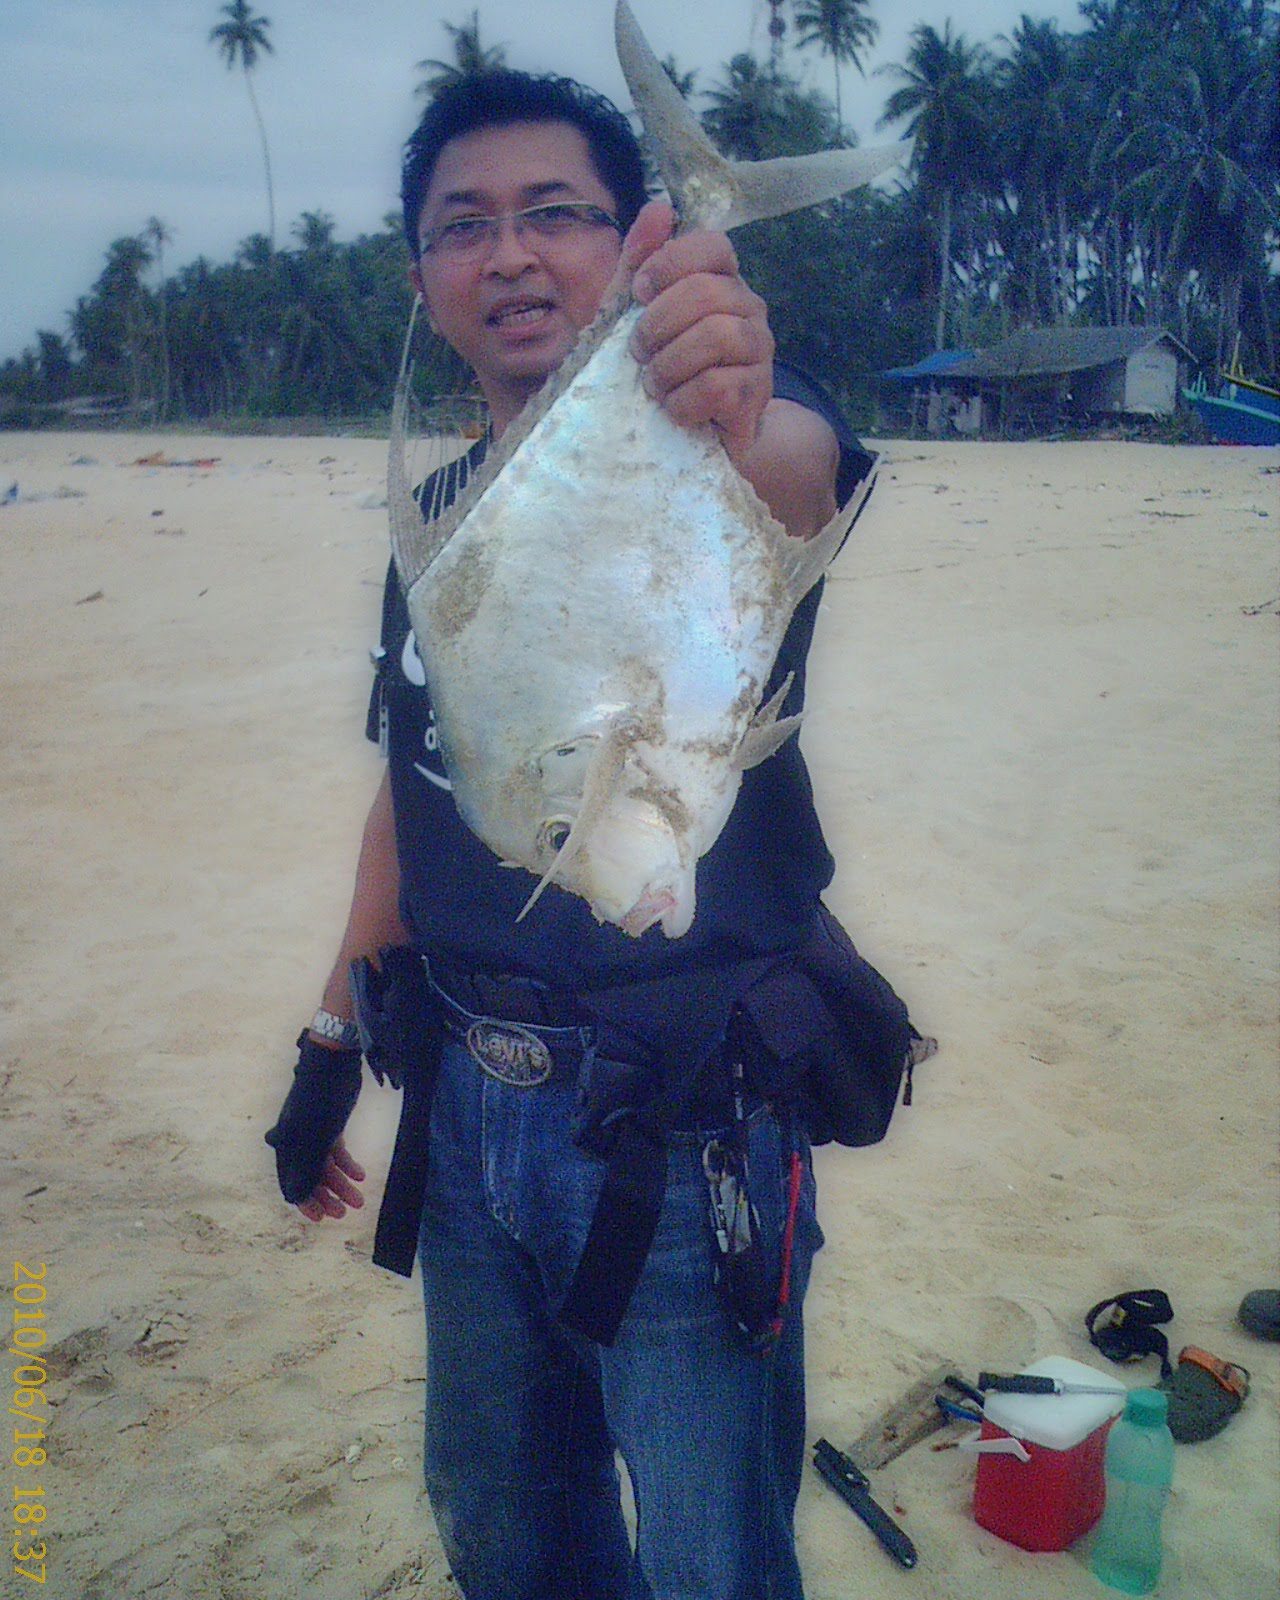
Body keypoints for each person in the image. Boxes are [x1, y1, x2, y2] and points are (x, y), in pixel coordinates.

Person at [266, 66, 899, 1600]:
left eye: (557, 213)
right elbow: (411, 790)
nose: (510, 254)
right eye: (462, 225)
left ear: (632, 245)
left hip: (688, 1132)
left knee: (710, 1560)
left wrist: (728, 386)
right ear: (420, 279)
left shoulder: (722, 430)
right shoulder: (440, 525)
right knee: (506, 1529)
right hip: (465, 1120)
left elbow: (788, 470)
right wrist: (330, 1040)